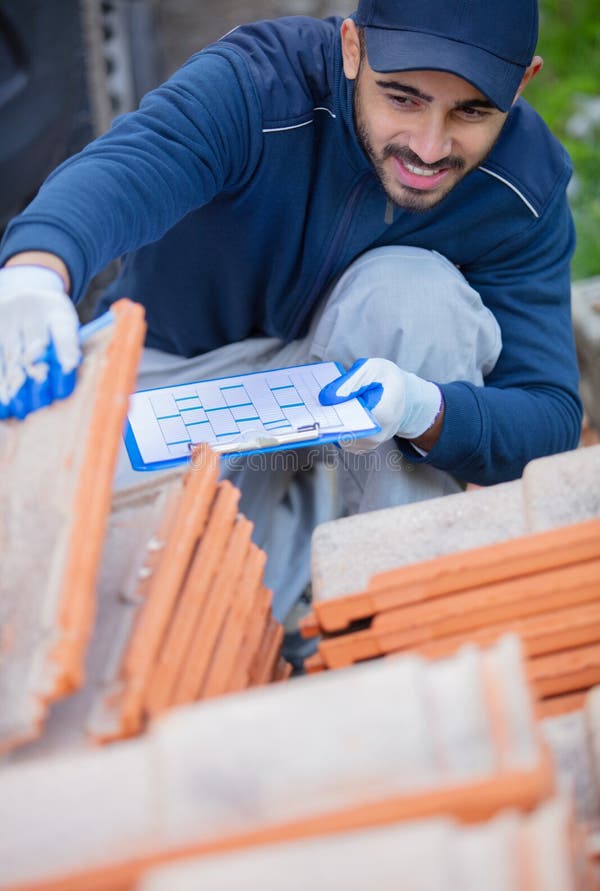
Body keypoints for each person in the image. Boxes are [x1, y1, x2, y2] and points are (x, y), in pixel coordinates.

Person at [0, 1, 582, 650]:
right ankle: (283, 594)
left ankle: (389, 627)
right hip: (185, 392)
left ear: (522, 83)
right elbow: (135, 164)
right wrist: (36, 270)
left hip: (364, 424)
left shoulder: (525, 186)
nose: (428, 145)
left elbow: (549, 415)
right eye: (403, 98)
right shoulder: (260, 83)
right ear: (353, 47)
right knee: (117, 618)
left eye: (470, 112)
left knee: (417, 296)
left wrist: (427, 411)